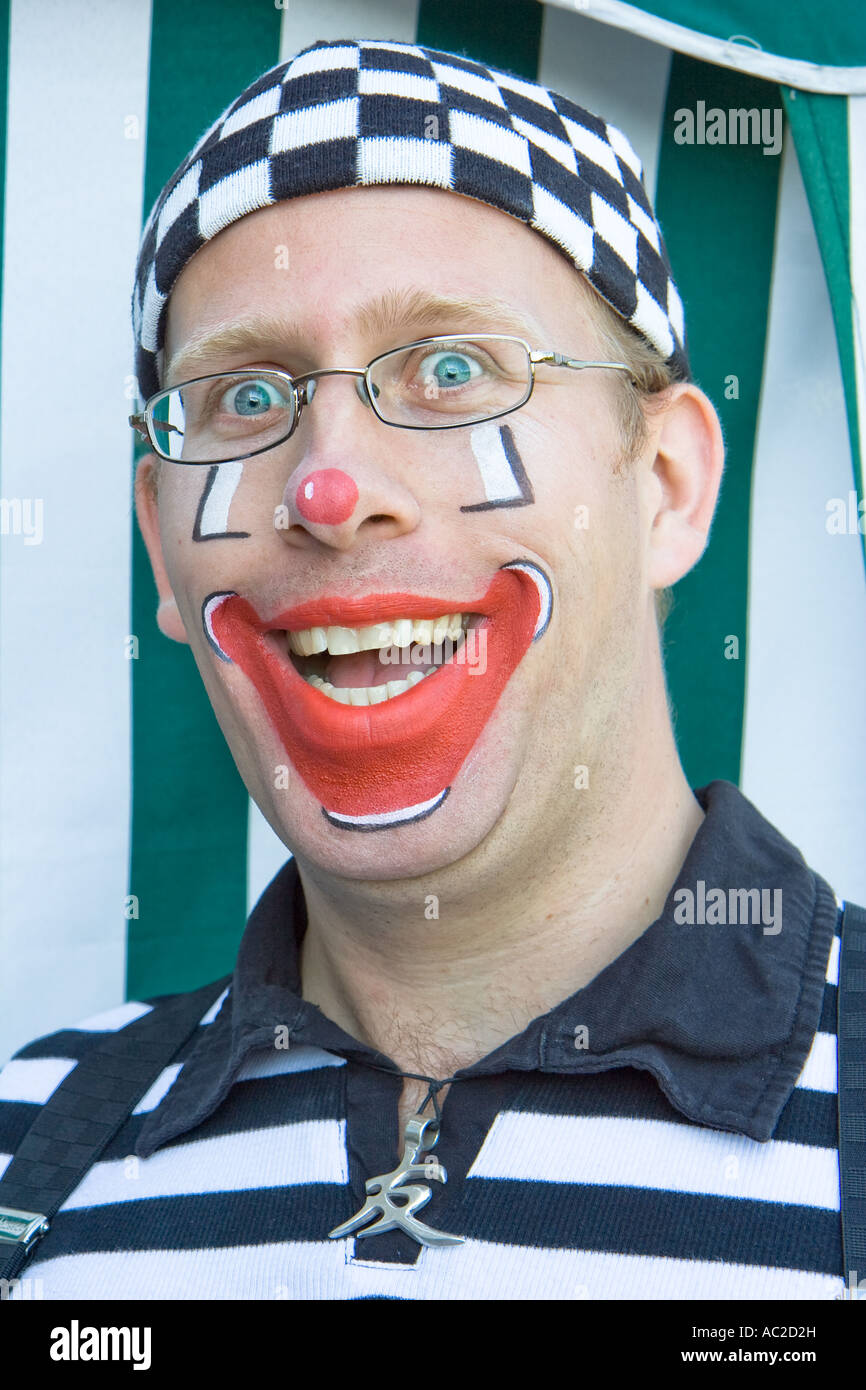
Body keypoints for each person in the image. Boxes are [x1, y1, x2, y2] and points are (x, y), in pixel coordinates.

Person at [0, 38, 847, 1299]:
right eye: (241, 397)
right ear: (162, 551)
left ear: (664, 487)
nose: (330, 492)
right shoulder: (30, 1157)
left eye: (451, 371)